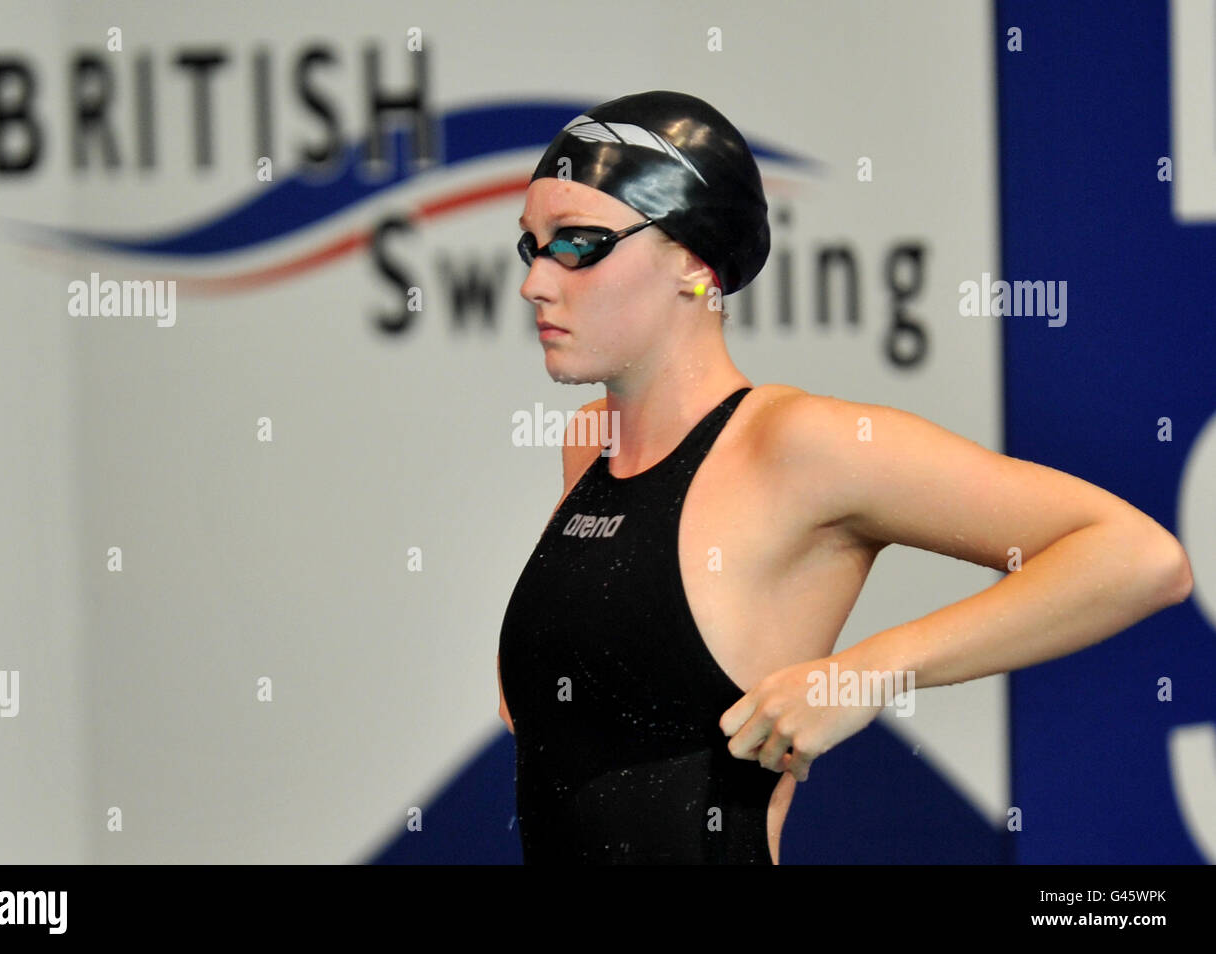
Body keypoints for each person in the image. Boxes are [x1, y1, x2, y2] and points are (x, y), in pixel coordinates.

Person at [495, 90, 1193, 865]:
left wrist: (870, 670)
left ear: (693, 265)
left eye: (579, 243)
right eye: (532, 246)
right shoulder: (590, 443)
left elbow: (1138, 556)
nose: (536, 283)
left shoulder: (798, 447)